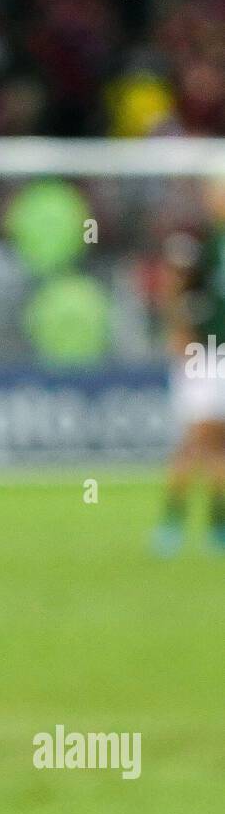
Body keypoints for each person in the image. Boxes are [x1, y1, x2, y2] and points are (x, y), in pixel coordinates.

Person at [154, 180, 225, 553]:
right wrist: (177, 332)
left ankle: (213, 525)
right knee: (199, 440)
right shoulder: (199, 243)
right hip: (205, 354)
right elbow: (175, 286)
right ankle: (174, 523)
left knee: (216, 445)